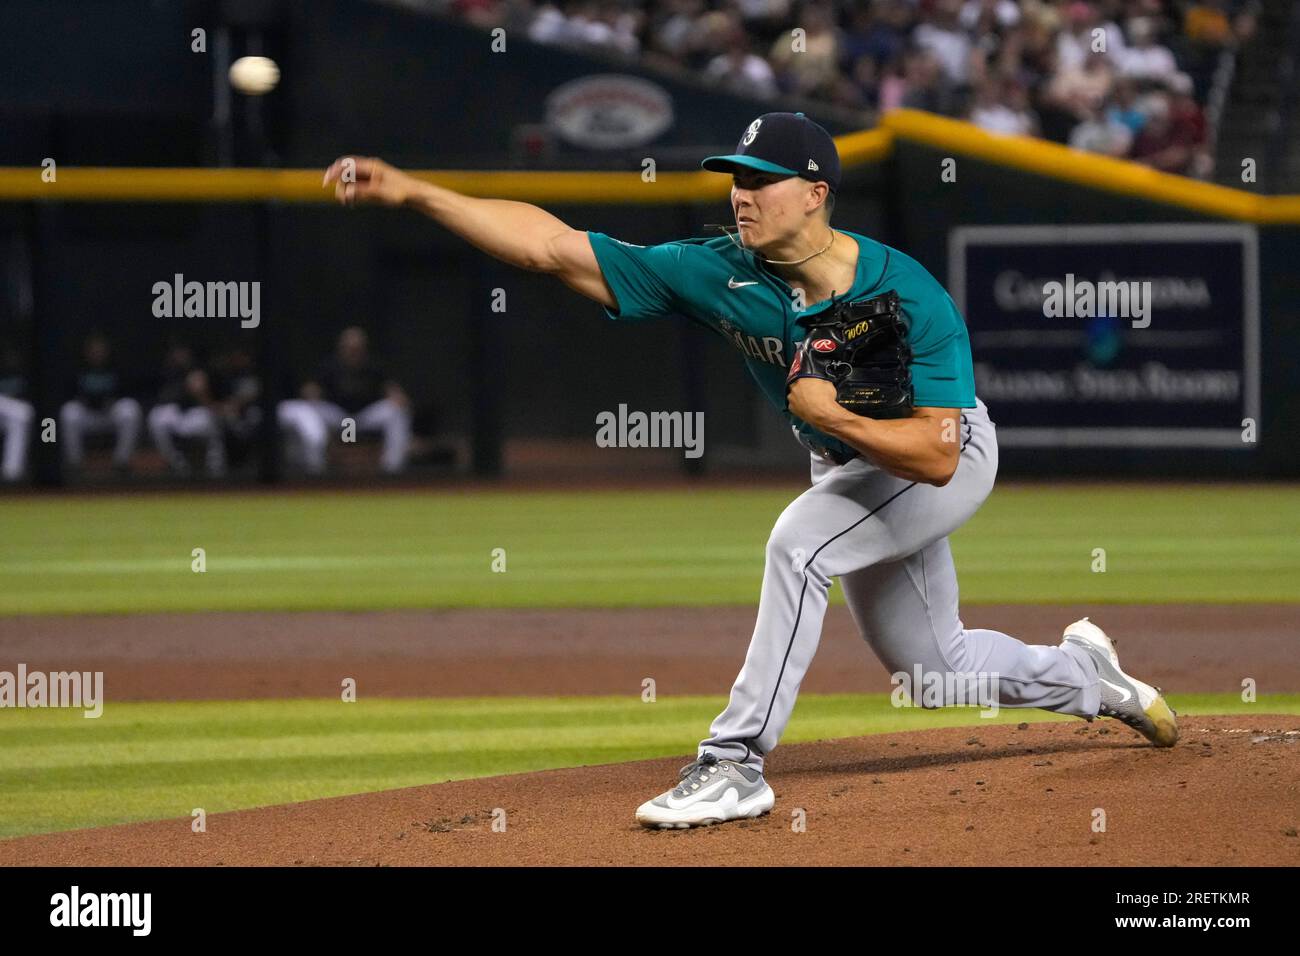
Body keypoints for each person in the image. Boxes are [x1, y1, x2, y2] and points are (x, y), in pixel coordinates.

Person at [322, 110, 1179, 830]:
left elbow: (938, 453)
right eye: (736, 176)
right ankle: (1085, 677)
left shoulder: (905, 291)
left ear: (815, 194)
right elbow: (551, 247)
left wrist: (833, 416)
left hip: (944, 454)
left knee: (799, 545)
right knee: (933, 667)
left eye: (761, 178)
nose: (741, 192)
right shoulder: (718, 271)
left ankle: (734, 761)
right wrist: (417, 192)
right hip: (847, 460)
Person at [276, 327, 412, 475]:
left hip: (365, 416)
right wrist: (311, 394)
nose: (354, 353)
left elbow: (393, 391)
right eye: (350, 349)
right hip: (339, 416)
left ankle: (392, 471)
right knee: (307, 411)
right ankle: (315, 471)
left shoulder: (373, 366)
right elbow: (310, 390)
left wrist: (397, 397)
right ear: (341, 348)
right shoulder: (330, 366)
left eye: (357, 349)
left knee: (395, 411)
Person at [59, 333, 143, 474]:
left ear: (107, 350)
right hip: (87, 415)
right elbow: (68, 394)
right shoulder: (78, 368)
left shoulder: (116, 367)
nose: (97, 353)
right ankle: (75, 464)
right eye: (93, 350)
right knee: (68, 412)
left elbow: (127, 392)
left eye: (100, 350)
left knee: (130, 409)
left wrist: (111, 399)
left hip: (110, 414)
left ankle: (121, 462)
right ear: (87, 352)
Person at [147, 343, 226, 476]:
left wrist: (200, 392)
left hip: (198, 414)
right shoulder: (166, 372)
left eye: (182, 352)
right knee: (157, 417)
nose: (179, 356)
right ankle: (178, 465)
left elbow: (215, 403)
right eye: (176, 352)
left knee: (209, 418)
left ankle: (216, 469)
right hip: (177, 415)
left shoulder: (201, 370)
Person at [0, 346, 35, 483]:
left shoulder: (25, 373)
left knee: (22, 414)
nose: (11, 357)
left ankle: (11, 474)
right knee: (22, 412)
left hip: (8, 415)